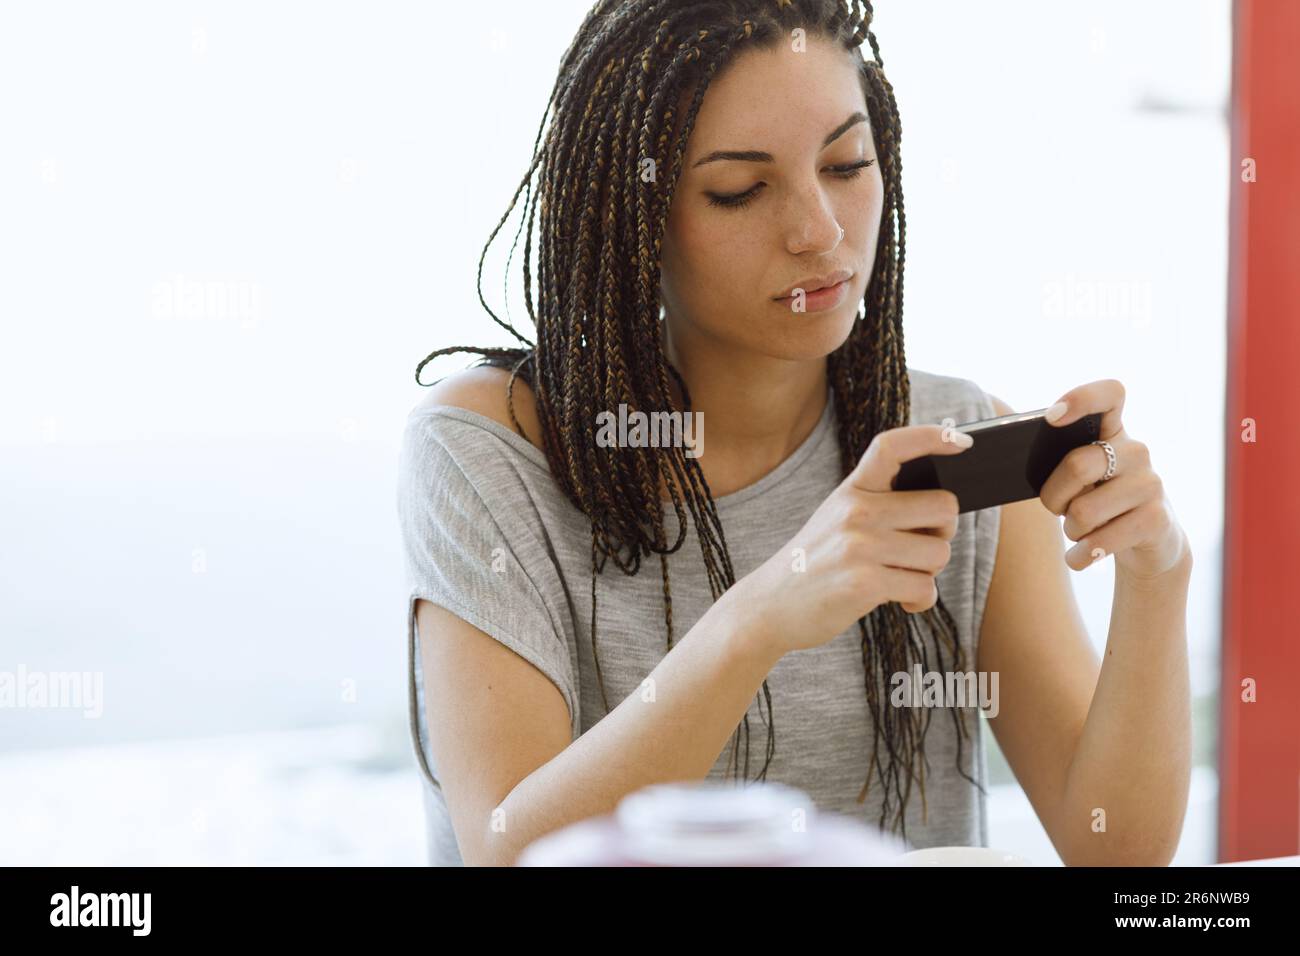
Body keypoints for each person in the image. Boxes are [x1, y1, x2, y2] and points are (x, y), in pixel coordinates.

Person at [397, 0, 1193, 867]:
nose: (820, 231)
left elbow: (1119, 860)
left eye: (848, 164)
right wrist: (765, 613)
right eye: (740, 188)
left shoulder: (952, 446)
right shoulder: (492, 452)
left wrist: (1159, 575)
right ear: (636, 219)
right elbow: (508, 854)